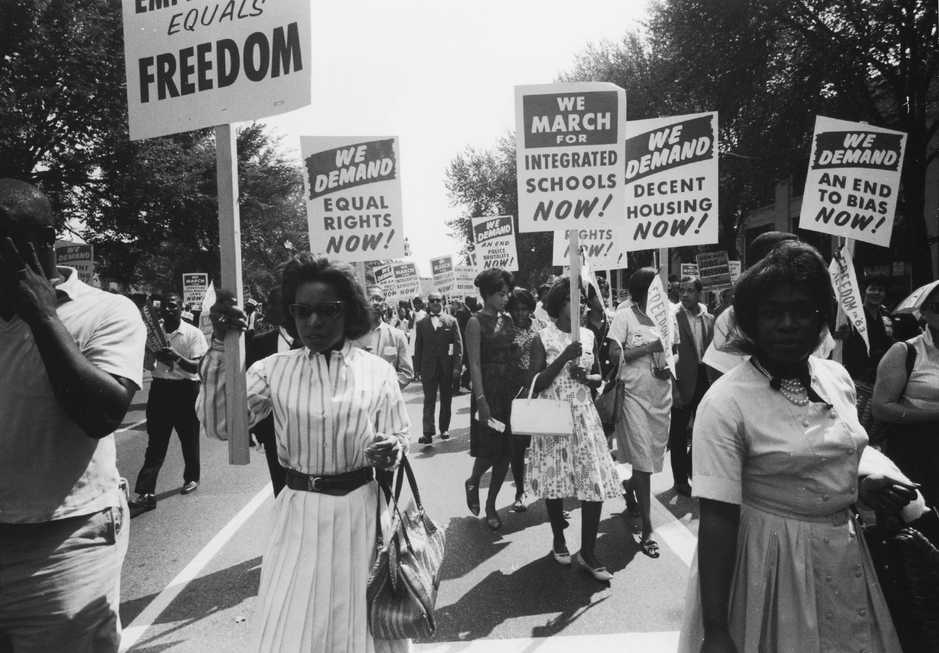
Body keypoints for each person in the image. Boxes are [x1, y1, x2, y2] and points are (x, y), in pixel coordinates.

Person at [678, 241, 908, 653]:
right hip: (771, 567)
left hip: (845, 557)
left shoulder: (836, 378)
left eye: (801, 311)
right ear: (750, 322)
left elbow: (835, 453)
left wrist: (859, 487)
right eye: (771, 313)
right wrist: (715, 629)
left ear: (820, 318)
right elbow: (716, 519)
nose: (787, 324)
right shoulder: (726, 402)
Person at [198, 254, 410, 653]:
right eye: (302, 311)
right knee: (294, 627)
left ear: (348, 312)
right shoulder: (272, 370)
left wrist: (391, 450)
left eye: (326, 311)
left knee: (360, 628)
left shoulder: (377, 371)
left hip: (361, 515)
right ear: (290, 313)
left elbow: (398, 434)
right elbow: (222, 424)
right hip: (298, 514)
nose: (313, 322)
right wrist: (219, 346)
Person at [0, 179, 146, 652]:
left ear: (37, 243)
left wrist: (41, 314)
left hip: (62, 545)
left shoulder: (107, 311)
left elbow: (100, 414)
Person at [527, 278, 622, 581]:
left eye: (581, 299)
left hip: (584, 416)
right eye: (573, 299)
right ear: (559, 304)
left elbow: (600, 380)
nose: (580, 303)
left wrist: (588, 378)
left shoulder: (589, 336)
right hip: (553, 416)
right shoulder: (542, 337)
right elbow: (535, 384)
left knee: (592, 485)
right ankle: (558, 537)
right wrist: (564, 358)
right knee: (556, 483)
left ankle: (589, 552)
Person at [608, 267, 677, 558]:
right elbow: (613, 355)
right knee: (644, 463)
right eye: (655, 286)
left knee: (647, 460)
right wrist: (648, 347)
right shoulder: (624, 316)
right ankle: (648, 529)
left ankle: (629, 485)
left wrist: (667, 365)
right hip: (633, 397)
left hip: (661, 398)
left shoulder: (667, 317)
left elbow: (674, 351)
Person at [129, 292, 208, 511]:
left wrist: (175, 357)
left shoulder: (193, 333)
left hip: (186, 391)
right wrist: (152, 357)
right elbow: (147, 365)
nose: (168, 310)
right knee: (156, 443)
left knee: (188, 439)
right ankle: (145, 492)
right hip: (161, 390)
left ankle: (192, 477)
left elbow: (196, 367)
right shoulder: (154, 334)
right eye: (164, 306)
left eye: (173, 306)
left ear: (181, 307)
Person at [872, 281, 939, 507]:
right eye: (938, 307)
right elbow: (881, 407)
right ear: (925, 311)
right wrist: (934, 414)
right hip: (915, 452)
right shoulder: (905, 351)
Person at [464, 268, 515, 530]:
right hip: (488, 394)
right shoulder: (475, 322)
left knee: (505, 452)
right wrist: (481, 399)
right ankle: (473, 481)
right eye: (500, 294)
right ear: (487, 294)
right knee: (490, 449)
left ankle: (491, 505)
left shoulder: (508, 321)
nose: (505, 298)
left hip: (509, 395)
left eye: (507, 293)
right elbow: (473, 364)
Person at [244, 286, 294, 497]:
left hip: (313, 431)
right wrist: (250, 427)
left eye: (271, 303)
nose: (265, 309)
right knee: (282, 492)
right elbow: (249, 391)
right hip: (274, 432)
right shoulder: (258, 343)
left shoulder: (316, 343)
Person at [669, 276, 714, 496]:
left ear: (699, 294)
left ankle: (690, 466)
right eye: (681, 291)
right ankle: (680, 480)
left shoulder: (710, 319)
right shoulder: (672, 318)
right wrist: (673, 387)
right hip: (681, 382)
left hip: (705, 380)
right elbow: (667, 355)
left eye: (689, 291)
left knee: (704, 431)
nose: (684, 295)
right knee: (677, 434)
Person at [413, 291, 463, 444]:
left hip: (446, 368)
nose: (435, 302)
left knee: (446, 399)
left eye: (438, 300)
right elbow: (418, 347)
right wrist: (417, 369)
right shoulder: (421, 323)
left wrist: (457, 366)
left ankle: (444, 428)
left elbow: (458, 345)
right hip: (428, 368)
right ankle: (427, 432)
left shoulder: (451, 321)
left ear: (442, 302)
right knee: (429, 400)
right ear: (428, 303)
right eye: (432, 300)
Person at [506, 288, 539, 512]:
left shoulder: (541, 327)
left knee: (543, 444)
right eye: (516, 309)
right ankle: (520, 491)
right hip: (517, 392)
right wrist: (524, 347)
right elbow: (508, 359)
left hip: (539, 390)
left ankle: (549, 494)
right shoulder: (507, 330)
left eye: (524, 308)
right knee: (517, 447)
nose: (520, 313)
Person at [837, 276, 895, 384]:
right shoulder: (853, 316)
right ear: (864, 291)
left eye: (880, 290)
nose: (876, 293)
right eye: (872, 289)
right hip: (857, 375)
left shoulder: (885, 315)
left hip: (881, 373)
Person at [352, 291, 413, 389]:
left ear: (384, 305)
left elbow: (407, 373)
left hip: (388, 399)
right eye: (371, 299)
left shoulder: (397, 336)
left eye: (379, 299)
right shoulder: (352, 337)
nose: (376, 303)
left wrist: (384, 389)